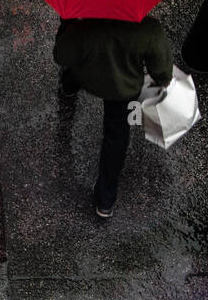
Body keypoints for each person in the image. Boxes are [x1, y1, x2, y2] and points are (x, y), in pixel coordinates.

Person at [53, 16, 173, 218]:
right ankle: (105, 200)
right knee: (116, 137)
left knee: (72, 75)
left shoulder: (82, 25)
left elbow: (61, 56)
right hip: (122, 90)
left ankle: (69, 87)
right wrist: (162, 80)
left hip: (87, 77)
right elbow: (161, 71)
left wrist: (67, 26)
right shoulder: (148, 28)